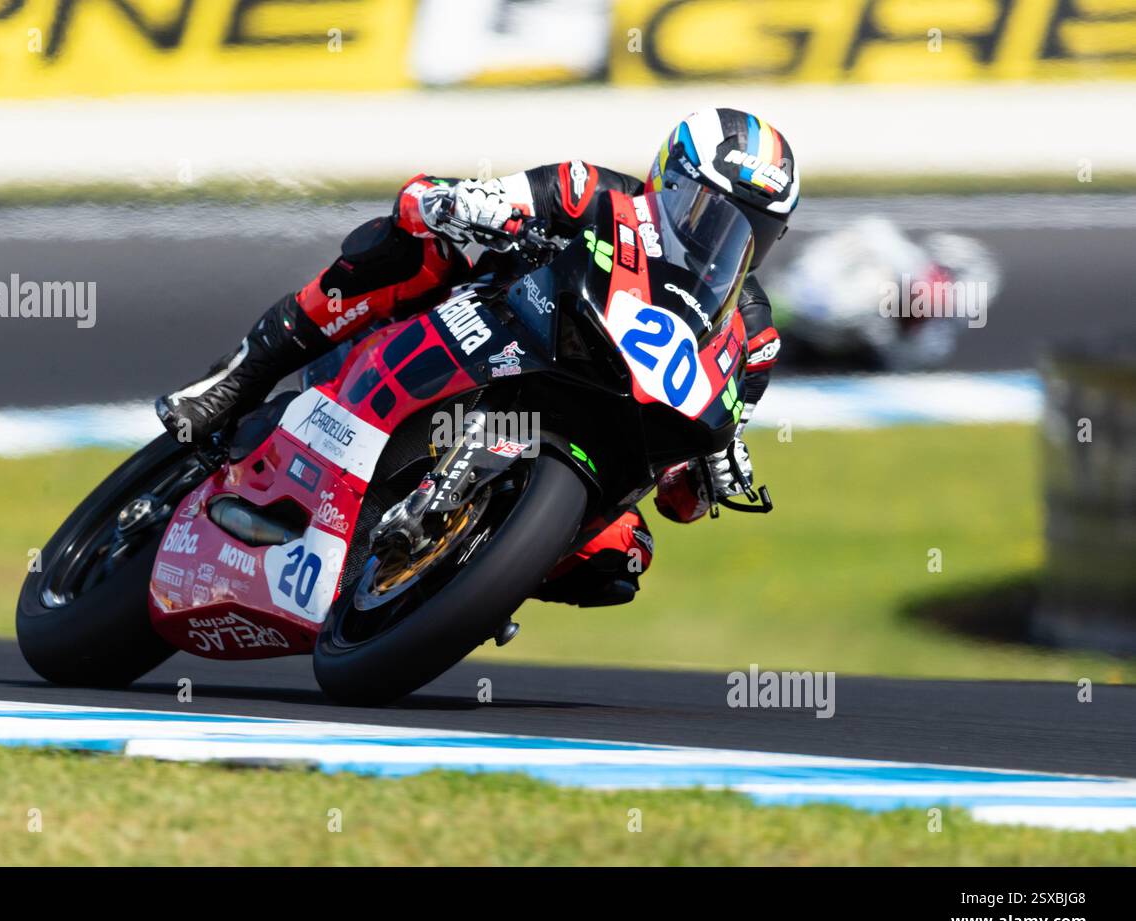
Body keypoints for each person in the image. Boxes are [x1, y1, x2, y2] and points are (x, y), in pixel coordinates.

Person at [156, 107, 799, 607]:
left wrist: (705, 472)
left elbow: (679, 495)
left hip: (600, 433)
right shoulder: (595, 192)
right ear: (669, 180)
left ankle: (460, 580)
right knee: (413, 247)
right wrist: (467, 204)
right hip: (498, 328)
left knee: (623, 559)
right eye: (706, 209)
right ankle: (241, 374)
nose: (719, 235)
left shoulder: (755, 336)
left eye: (750, 227)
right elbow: (445, 199)